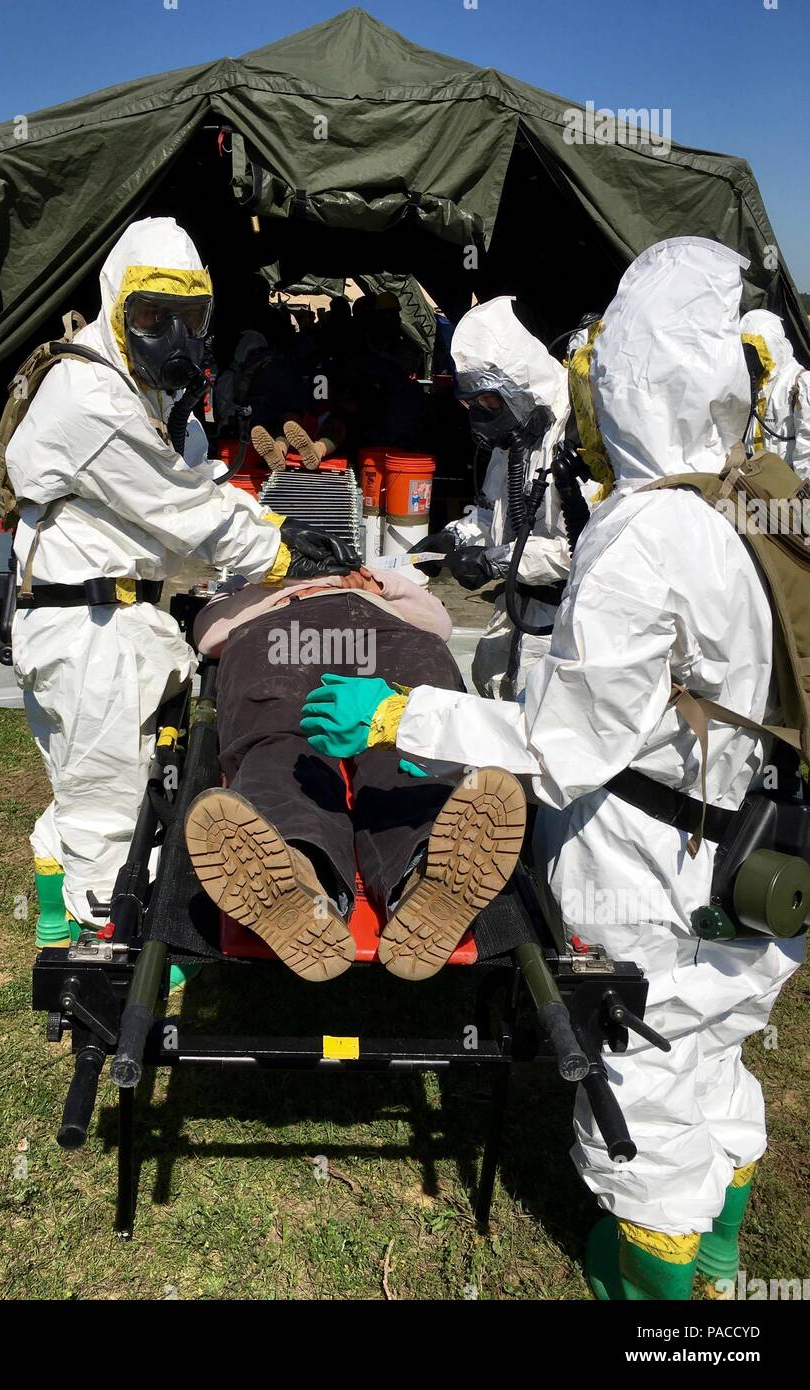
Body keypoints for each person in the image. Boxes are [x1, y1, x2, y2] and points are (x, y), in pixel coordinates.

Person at [300, 238, 806, 1299]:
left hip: (661, 872)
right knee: (716, 1061)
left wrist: (403, 710)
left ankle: (664, 1299)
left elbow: (562, 746)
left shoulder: (649, 534)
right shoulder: (764, 499)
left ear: (622, 383)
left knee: (651, 1089)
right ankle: (719, 1266)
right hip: (766, 857)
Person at [5, 217, 356, 945]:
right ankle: (105, 957)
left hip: (120, 619)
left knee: (98, 782)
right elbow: (183, 512)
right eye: (151, 315)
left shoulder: (148, 397)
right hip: (90, 630)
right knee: (107, 800)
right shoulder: (91, 399)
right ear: (116, 305)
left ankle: (52, 914)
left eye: (188, 316)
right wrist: (280, 550)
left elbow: (198, 489)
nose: (172, 333)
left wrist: (264, 528)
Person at [184, 565, 525, 982]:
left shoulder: (382, 576)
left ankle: (418, 877)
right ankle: (310, 876)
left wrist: (377, 584)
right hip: (285, 634)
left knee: (407, 741)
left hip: (381, 635)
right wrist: (268, 585)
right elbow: (210, 634)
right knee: (291, 744)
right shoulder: (252, 575)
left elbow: (439, 623)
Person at [422, 298, 574, 697]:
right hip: (515, 604)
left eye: (486, 401)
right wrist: (456, 538)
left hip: (560, 618)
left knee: (541, 710)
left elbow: (576, 550)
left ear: (519, 385)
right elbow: (494, 515)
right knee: (490, 681)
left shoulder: (576, 440)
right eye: (470, 404)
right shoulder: (512, 438)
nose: (479, 414)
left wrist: (494, 564)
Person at [739, 309, 810, 478]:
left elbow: (807, 448)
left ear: (771, 344)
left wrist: (803, 499)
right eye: (745, 351)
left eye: (752, 349)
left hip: (787, 489)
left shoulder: (800, 383)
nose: (749, 358)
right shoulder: (751, 386)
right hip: (755, 485)